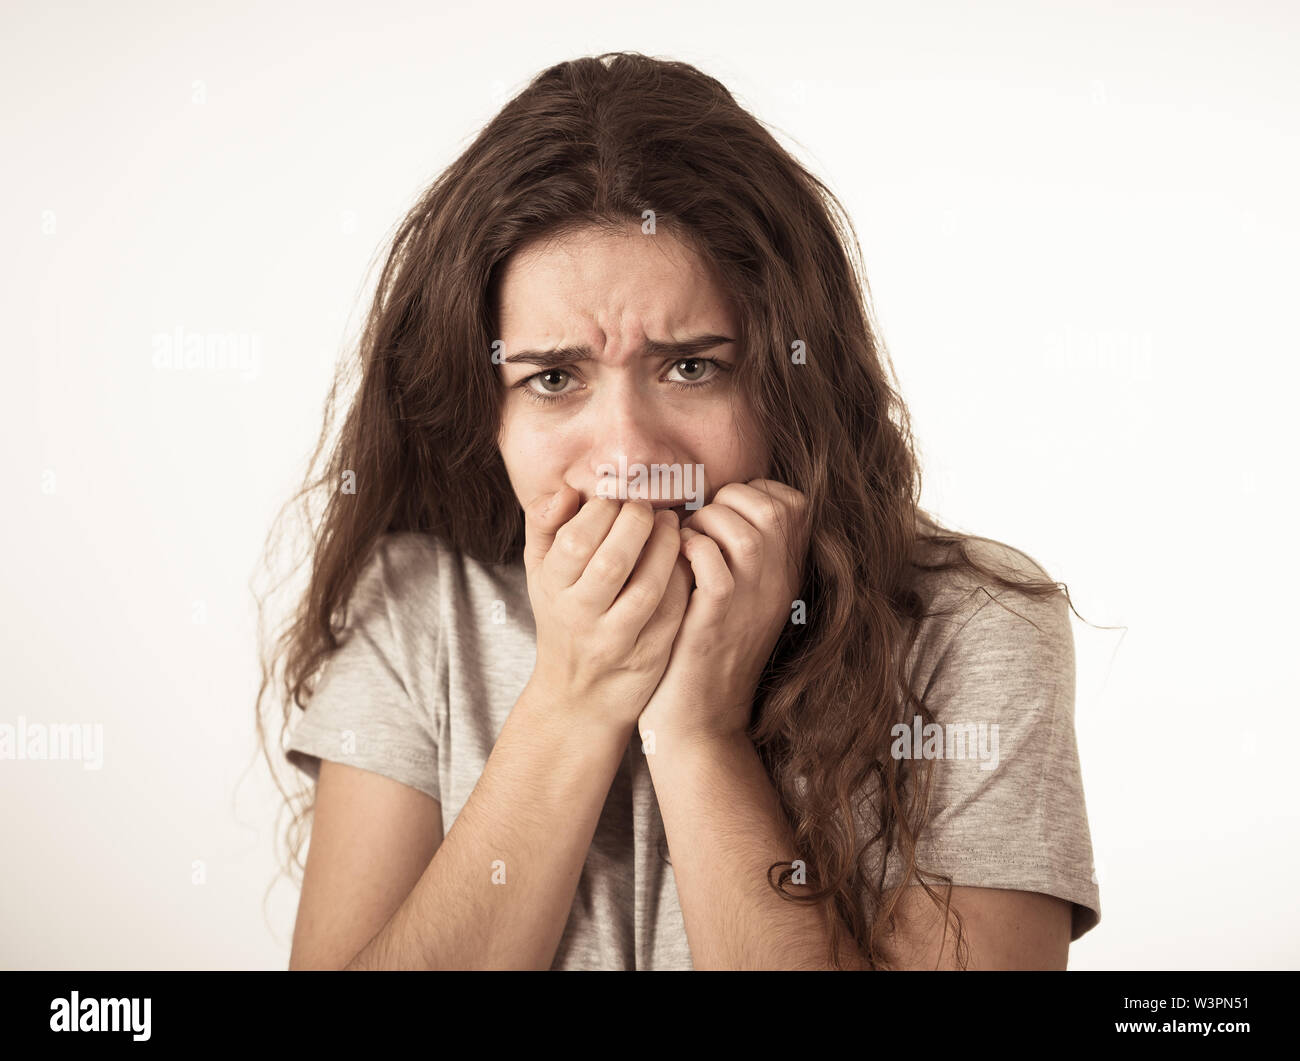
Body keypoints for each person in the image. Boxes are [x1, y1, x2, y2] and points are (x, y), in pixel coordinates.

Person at [255, 51, 1100, 971]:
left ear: (787, 380)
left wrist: (699, 735)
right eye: (552, 377)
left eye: (691, 366)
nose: (628, 459)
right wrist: (572, 701)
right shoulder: (420, 612)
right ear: (483, 409)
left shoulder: (975, 625)